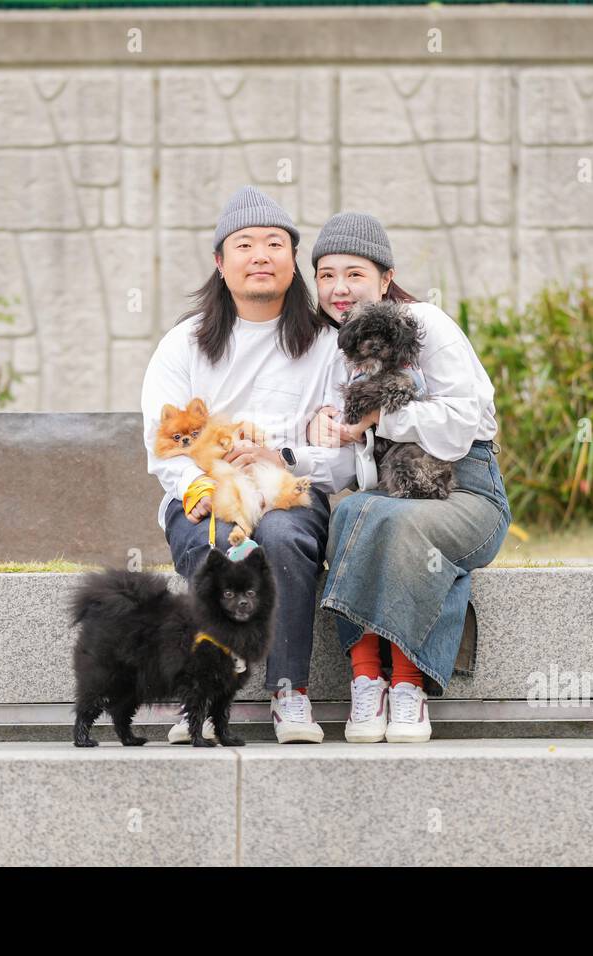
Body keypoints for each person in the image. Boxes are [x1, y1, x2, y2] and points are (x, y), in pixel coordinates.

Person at [140, 186, 357, 744]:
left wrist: (283, 456)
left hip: (282, 490)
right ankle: (203, 699)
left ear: (292, 261)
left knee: (283, 537)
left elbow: (342, 457)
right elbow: (162, 446)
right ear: (220, 261)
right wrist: (199, 489)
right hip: (209, 490)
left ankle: (290, 692)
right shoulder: (183, 345)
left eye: (274, 244)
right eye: (244, 244)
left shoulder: (329, 346)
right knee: (209, 544)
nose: (260, 255)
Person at [306, 212, 511, 743]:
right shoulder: (343, 351)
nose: (339, 288)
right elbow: (347, 464)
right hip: (392, 491)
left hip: (468, 493)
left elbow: (467, 421)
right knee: (354, 510)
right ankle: (366, 681)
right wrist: (302, 446)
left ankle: (408, 684)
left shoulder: (428, 326)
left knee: (389, 521)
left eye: (354, 273)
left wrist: (379, 419)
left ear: (385, 277)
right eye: (326, 275)